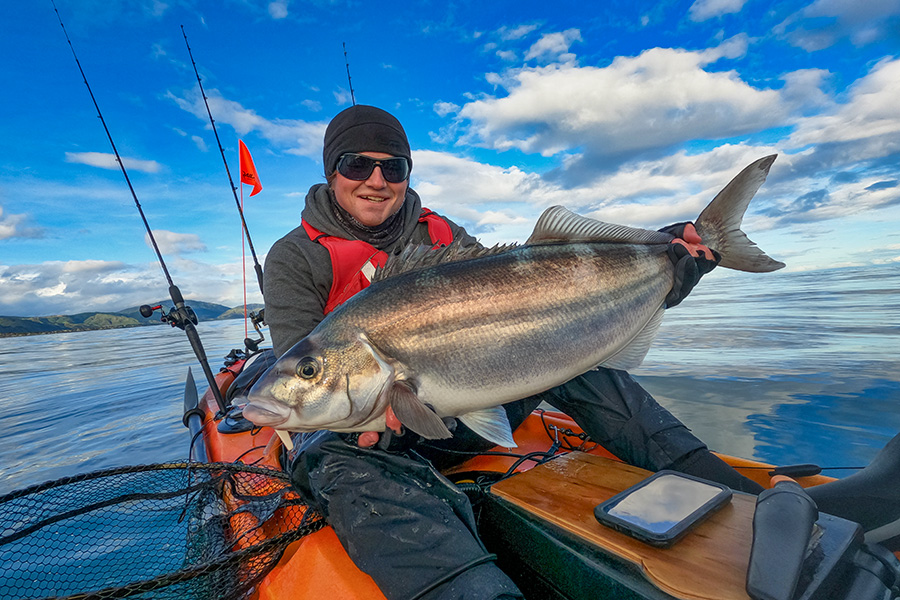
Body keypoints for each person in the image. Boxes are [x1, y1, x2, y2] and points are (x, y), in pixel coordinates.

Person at [262, 105, 897, 600]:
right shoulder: (295, 256)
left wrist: (666, 266)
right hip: (363, 426)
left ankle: (761, 506)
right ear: (331, 171)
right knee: (337, 466)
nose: (376, 181)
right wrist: (360, 413)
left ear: (406, 172)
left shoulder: (444, 237)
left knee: (585, 367)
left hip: (458, 404)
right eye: (356, 164)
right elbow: (301, 358)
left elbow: (540, 299)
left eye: (392, 167)